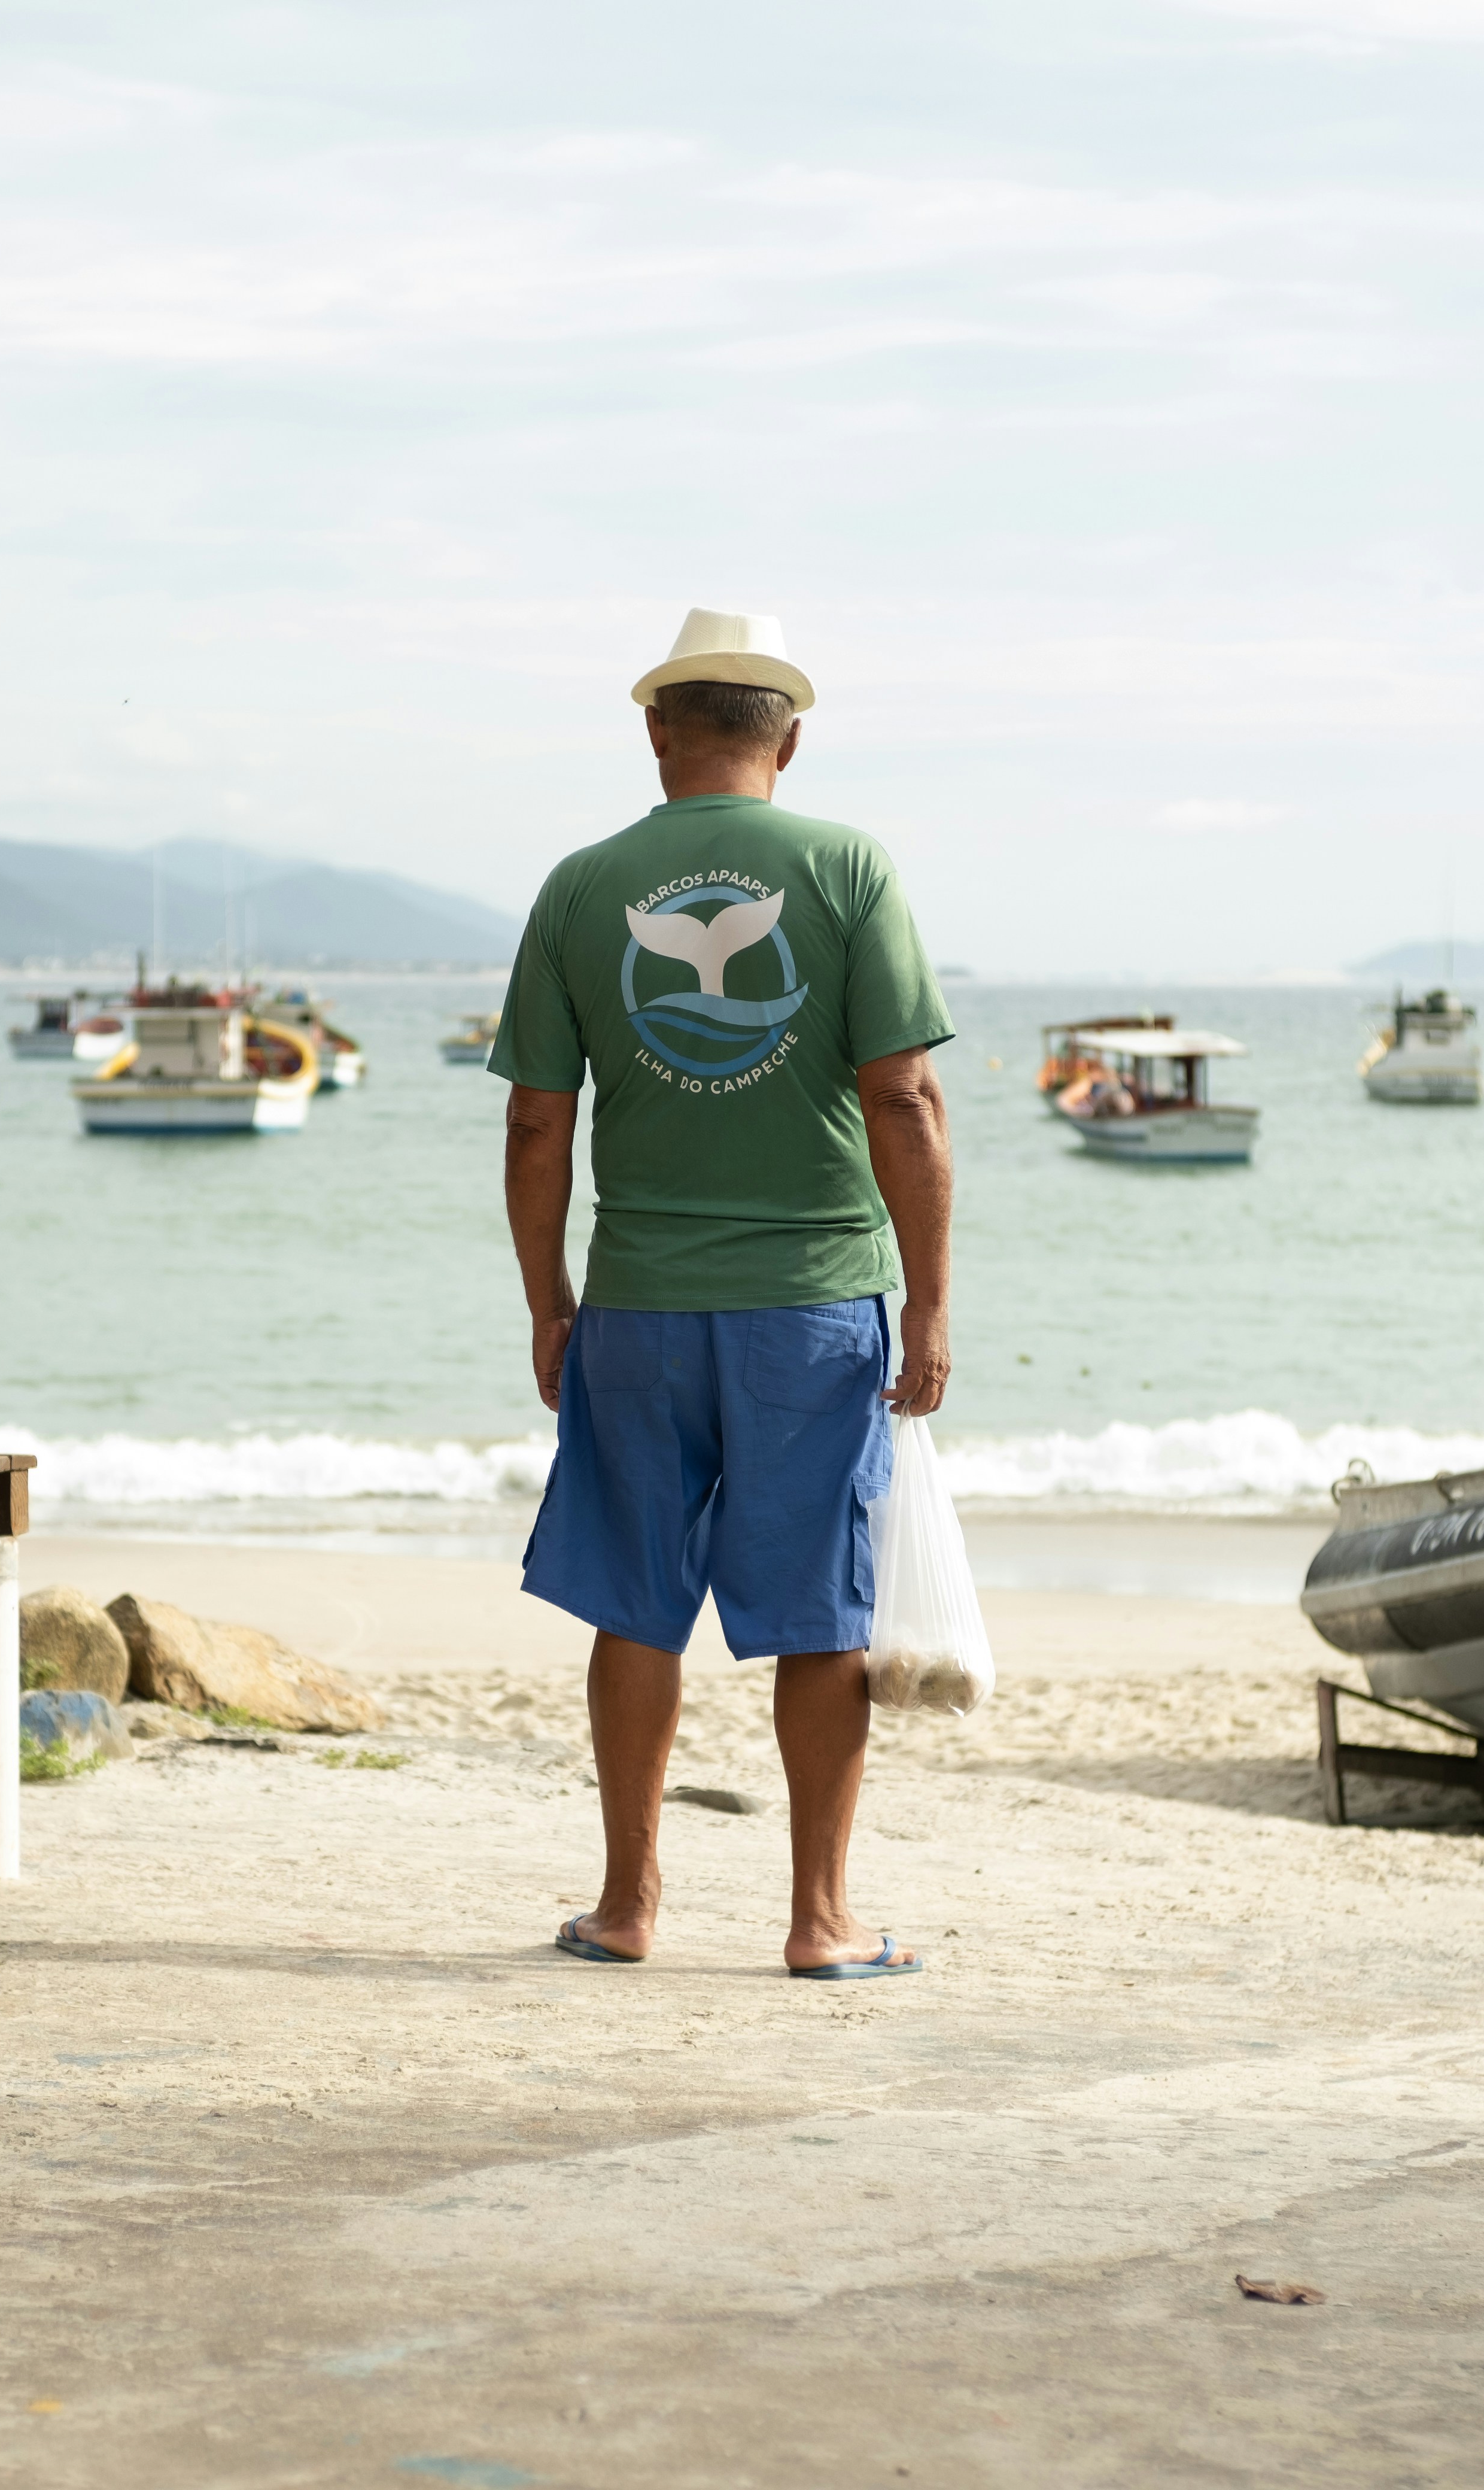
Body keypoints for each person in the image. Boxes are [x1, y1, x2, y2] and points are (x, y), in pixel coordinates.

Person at [492, 606, 954, 1980]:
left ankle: (627, 1905)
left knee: (634, 1603)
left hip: (634, 1303)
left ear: (656, 734)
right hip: (812, 1306)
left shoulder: (582, 885)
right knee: (819, 1609)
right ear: (788, 741)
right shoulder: (847, 866)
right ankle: (820, 1921)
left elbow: (532, 1122)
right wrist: (928, 1301)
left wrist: (547, 1299)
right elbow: (905, 1095)